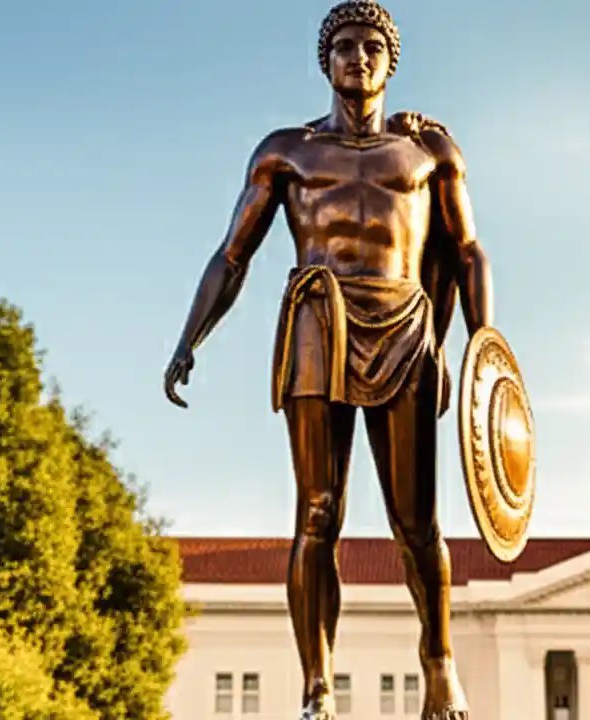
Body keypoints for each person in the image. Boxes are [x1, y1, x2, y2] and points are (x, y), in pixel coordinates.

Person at [162, 2, 493, 718]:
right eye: (344, 46)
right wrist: (191, 337)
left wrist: (486, 349)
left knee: (416, 520)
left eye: (372, 46)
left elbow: (466, 251)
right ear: (326, 60)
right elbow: (232, 254)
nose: (358, 57)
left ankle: (438, 662)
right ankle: (318, 683)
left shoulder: (431, 152)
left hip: (406, 322)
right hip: (319, 318)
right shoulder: (288, 151)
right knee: (318, 513)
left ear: (390, 62)